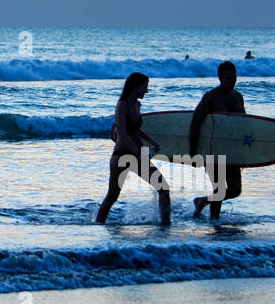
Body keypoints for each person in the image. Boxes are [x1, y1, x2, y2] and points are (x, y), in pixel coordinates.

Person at [96, 72, 171, 225]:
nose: (146, 91)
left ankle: (165, 225)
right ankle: (98, 224)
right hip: (122, 156)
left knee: (163, 188)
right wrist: (137, 153)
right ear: (135, 87)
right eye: (144, 87)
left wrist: (151, 141)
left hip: (137, 155)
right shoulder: (122, 106)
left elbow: (135, 130)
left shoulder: (137, 105)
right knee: (112, 196)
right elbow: (122, 133)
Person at [189, 61, 246, 220]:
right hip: (214, 150)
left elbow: (244, 126)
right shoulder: (210, 97)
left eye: (234, 78)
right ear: (220, 78)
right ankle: (215, 222)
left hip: (232, 151)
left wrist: (246, 154)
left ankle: (202, 202)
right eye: (228, 78)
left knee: (235, 190)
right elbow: (195, 124)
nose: (232, 81)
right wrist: (193, 152)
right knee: (219, 189)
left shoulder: (238, 97)